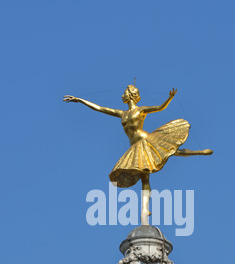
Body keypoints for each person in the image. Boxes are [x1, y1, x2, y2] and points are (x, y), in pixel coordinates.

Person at [64, 85, 213, 224]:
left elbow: (159, 108)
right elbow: (100, 108)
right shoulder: (122, 113)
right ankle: (145, 209)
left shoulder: (140, 110)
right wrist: (80, 100)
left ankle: (199, 152)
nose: (123, 95)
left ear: (130, 95)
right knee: (144, 177)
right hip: (134, 146)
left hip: (145, 140)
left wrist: (169, 98)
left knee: (172, 151)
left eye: (125, 93)